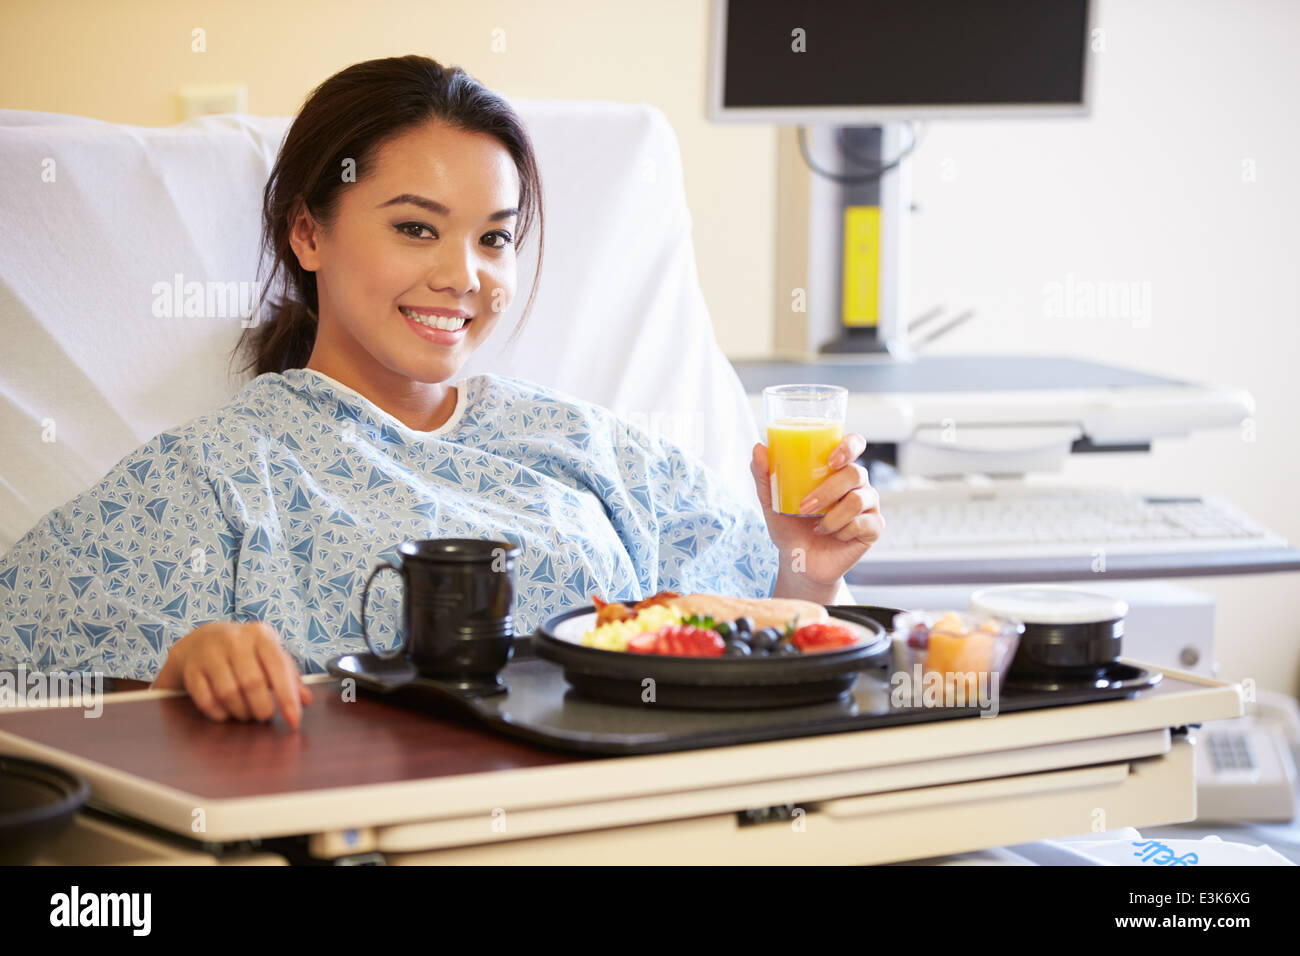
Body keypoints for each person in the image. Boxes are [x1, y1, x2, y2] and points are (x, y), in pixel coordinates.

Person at [0, 56, 883, 728]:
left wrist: (805, 566)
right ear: (309, 232)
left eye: (494, 239)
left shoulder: (588, 449)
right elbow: (34, 683)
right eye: (416, 228)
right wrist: (178, 675)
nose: (462, 277)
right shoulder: (217, 474)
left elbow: (762, 644)